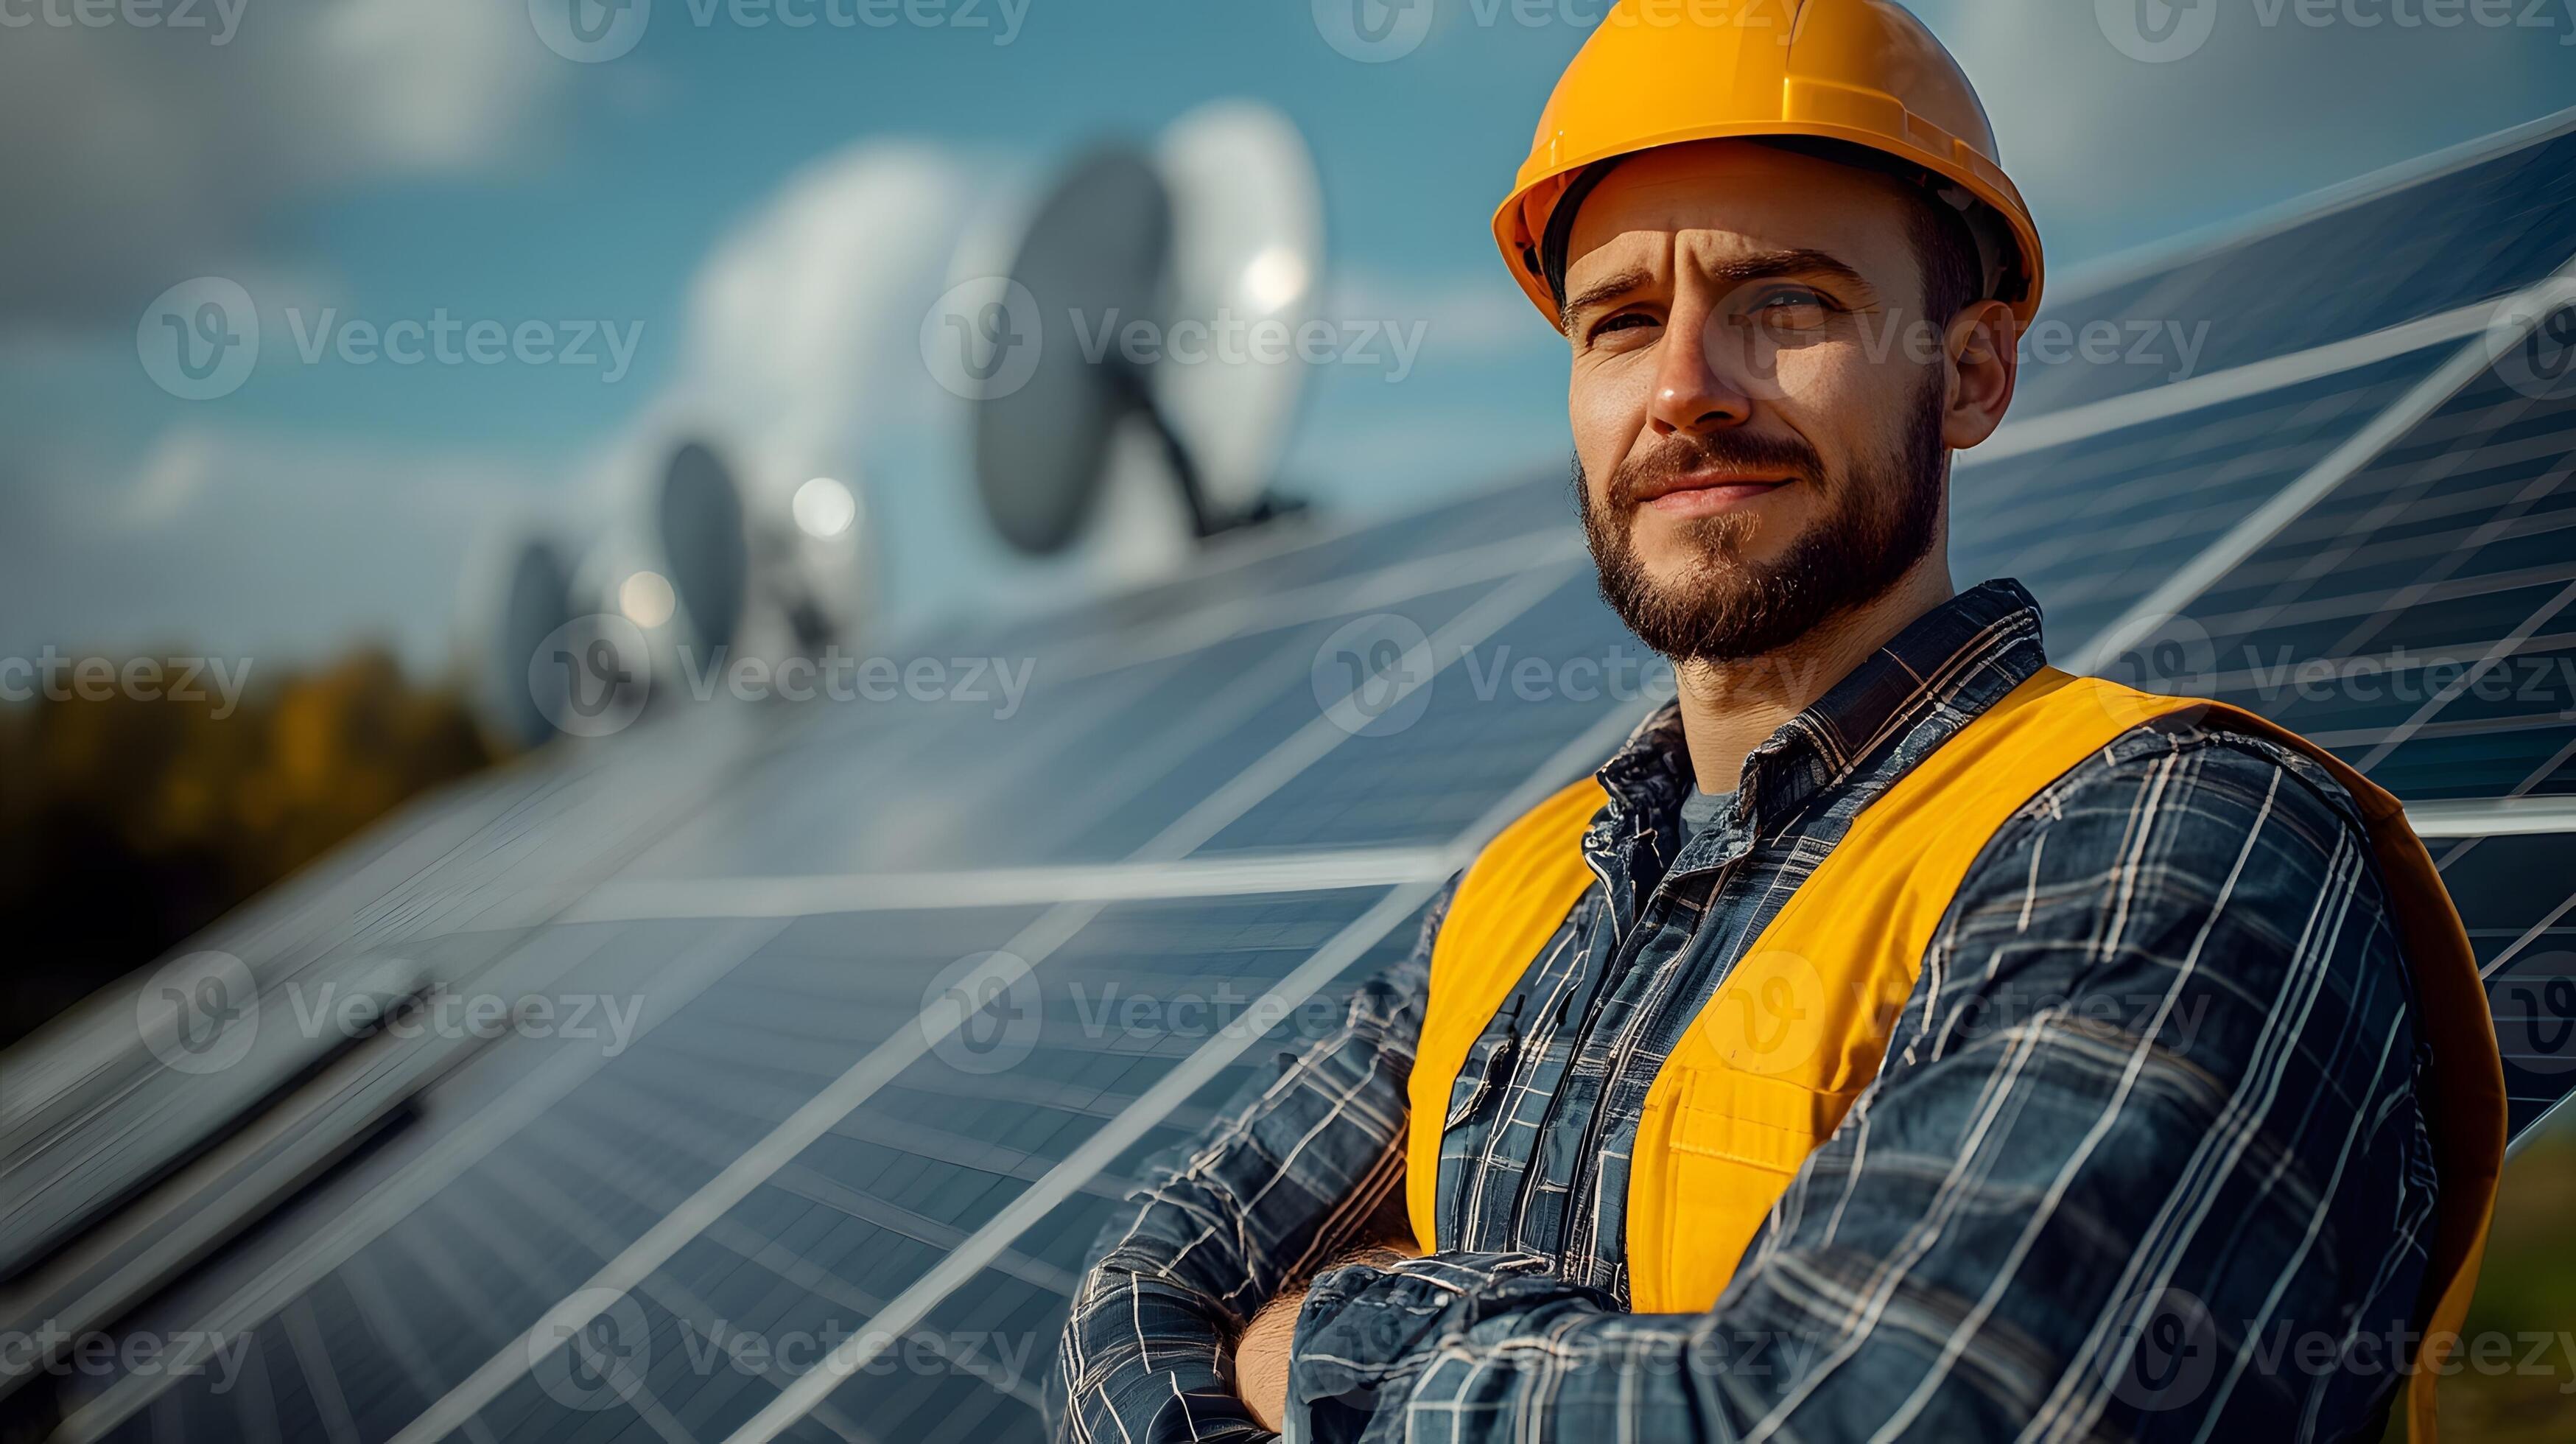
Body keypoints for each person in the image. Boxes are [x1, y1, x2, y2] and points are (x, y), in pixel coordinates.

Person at [1049, 3, 2504, 1440]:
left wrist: (1332, 1344)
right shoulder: (1519, 894)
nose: (1683, 389)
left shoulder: (2167, 836)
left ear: (1974, 369)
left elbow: (1897, 1407)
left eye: (1788, 304)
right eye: (1620, 322)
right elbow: (1135, 1305)